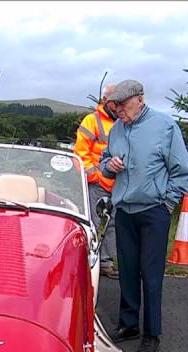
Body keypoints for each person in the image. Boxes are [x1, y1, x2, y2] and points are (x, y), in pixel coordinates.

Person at [99, 79, 188, 352]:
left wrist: (166, 204)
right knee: (127, 271)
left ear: (140, 98)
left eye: (124, 106)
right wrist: (109, 165)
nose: (120, 113)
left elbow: (182, 172)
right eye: (116, 108)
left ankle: (152, 334)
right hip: (124, 211)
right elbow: (104, 162)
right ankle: (129, 325)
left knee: (150, 276)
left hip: (153, 212)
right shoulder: (117, 129)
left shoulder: (165, 127)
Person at [75, 84, 120, 279]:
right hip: (97, 183)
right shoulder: (91, 121)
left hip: (120, 185)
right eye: (115, 101)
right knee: (93, 223)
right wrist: (95, 176)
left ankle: (106, 262)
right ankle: (88, 262)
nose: (118, 106)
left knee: (114, 224)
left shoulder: (125, 122)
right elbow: (80, 153)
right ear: (105, 101)